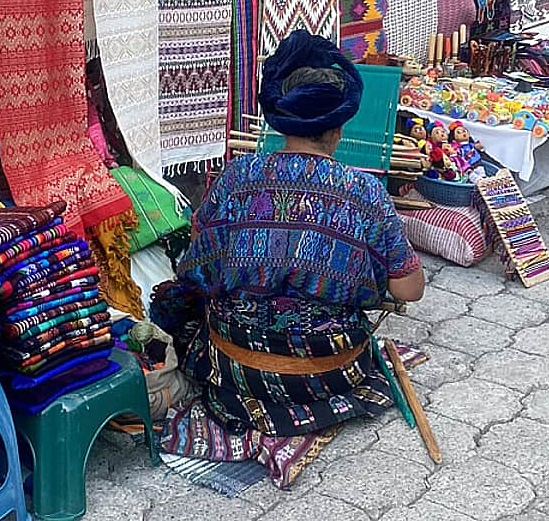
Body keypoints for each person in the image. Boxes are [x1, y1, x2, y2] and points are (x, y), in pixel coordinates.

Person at [172, 30, 424, 437]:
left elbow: (196, 268)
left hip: (237, 370)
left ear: (279, 120)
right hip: (329, 371)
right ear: (339, 127)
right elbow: (410, 290)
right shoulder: (364, 192)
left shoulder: (237, 177)